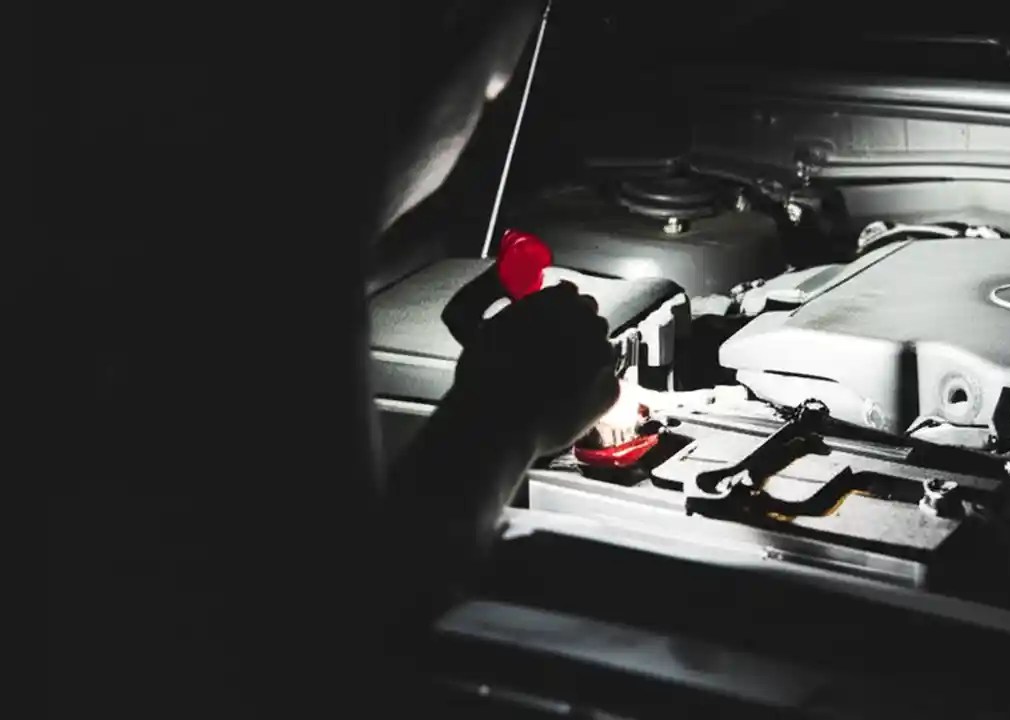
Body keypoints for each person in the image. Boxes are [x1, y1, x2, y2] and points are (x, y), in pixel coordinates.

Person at [42, 3, 616, 717]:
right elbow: (326, 644)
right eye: (490, 89)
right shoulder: (244, 263)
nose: (479, 116)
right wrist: (502, 417)